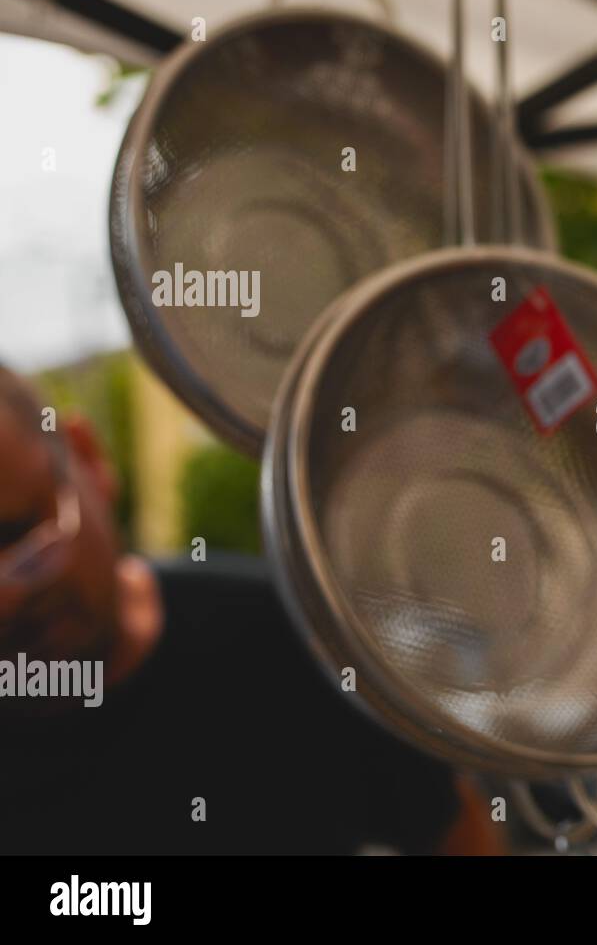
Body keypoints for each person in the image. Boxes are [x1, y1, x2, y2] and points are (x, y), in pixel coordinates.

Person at [0, 365, 499, 854]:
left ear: (85, 457)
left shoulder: (290, 640)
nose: (9, 598)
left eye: (22, 537)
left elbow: (453, 830)